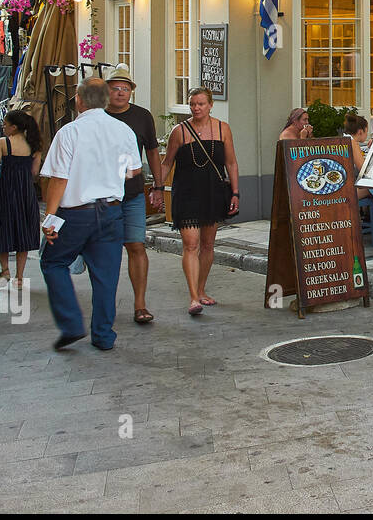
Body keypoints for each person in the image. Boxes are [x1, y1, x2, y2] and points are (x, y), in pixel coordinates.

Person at [39, 78, 143, 351]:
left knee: (53, 262)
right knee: (106, 275)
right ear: (106, 101)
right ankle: (103, 335)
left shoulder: (70, 132)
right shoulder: (123, 131)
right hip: (111, 210)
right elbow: (133, 171)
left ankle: (72, 323)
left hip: (77, 212)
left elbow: (59, 180)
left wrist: (49, 217)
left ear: (79, 100)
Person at [154, 86, 239, 317]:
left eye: (201, 104)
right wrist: (157, 188)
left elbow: (231, 163)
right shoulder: (179, 131)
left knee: (208, 245)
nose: (196, 108)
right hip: (187, 193)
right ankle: (193, 297)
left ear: (211, 105)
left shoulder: (223, 129)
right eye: (192, 104)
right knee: (191, 244)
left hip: (213, 192)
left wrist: (235, 192)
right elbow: (166, 163)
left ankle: (201, 289)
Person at [104, 66, 164, 325]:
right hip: (103, 195)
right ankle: (105, 304)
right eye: (116, 88)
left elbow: (151, 151)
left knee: (136, 245)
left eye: (125, 89)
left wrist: (158, 186)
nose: (120, 93)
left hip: (132, 193)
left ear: (131, 92)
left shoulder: (142, 116)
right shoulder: (98, 117)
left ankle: (140, 304)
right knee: (106, 250)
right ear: (107, 91)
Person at [0, 110, 43, 291]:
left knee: (3, 229)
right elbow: (35, 173)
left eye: (5, 125)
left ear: (14, 127)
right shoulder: (35, 145)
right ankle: (19, 277)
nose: (3, 127)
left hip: (7, 191)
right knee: (23, 230)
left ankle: (5, 270)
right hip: (26, 192)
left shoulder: (2, 143)